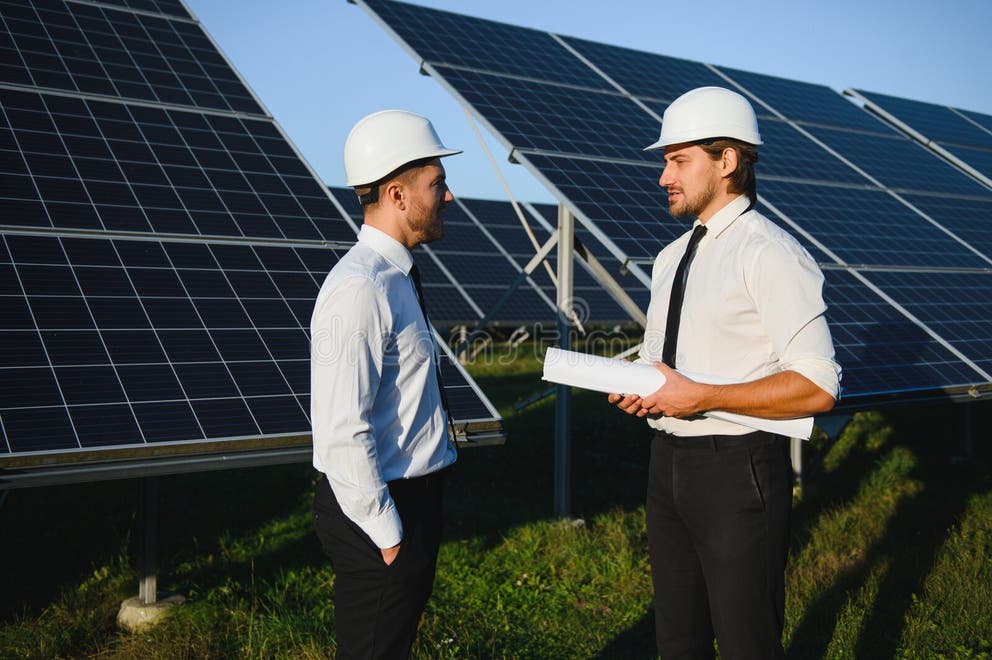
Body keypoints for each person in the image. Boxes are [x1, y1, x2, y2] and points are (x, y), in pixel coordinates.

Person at [609, 87, 841, 659]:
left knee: (746, 642)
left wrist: (702, 396)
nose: (664, 176)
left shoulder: (771, 254)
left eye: (678, 160)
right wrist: (637, 386)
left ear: (728, 161)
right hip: (666, 466)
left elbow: (819, 386)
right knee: (678, 639)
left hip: (738, 472)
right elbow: (663, 361)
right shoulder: (669, 258)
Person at [310, 109, 460, 659]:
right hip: (381, 510)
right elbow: (339, 430)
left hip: (411, 498)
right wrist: (389, 534)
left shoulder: (396, 279)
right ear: (397, 194)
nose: (448, 196)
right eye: (436, 184)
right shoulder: (362, 288)